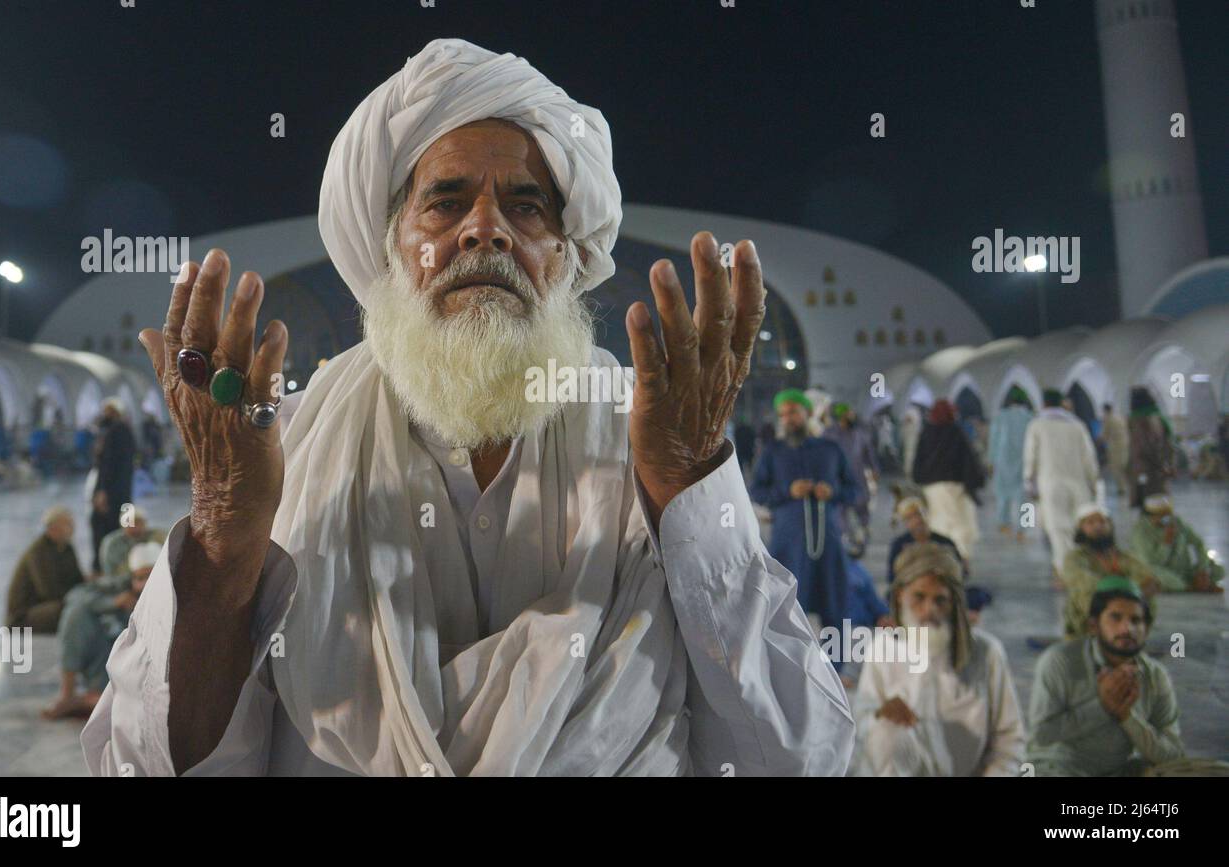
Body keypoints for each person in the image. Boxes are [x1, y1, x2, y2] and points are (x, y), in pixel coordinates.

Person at [84, 39, 853, 777]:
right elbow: (147, 761)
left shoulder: (649, 440)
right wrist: (226, 532)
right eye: (445, 203)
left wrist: (686, 489)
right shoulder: (288, 446)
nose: (484, 228)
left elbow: (796, 754)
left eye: (526, 207)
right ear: (390, 248)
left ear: (569, 254)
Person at [852, 543, 1025, 777]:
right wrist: (880, 713)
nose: (929, 610)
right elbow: (861, 723)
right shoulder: (883, 648)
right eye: (919, 597)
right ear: (901, 595)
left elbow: (1010, 738)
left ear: (954, 603)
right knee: (886, 732)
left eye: (940, 600)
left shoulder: (987, 653)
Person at [1027, 580, 1184, 776]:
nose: (1127, 628)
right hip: (1059, 768)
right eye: (1115, 618)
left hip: (1118, 771)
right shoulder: (1060, 662)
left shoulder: (1154, 676)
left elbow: (1172, 755)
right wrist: (1101, 707)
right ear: (1094, 625)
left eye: (1136, 620)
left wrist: (1127, 717)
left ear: (1147, 629)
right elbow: (1041, 736)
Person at [751, 390, 860, 647]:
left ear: (808, 413)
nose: (788, 419)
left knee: (834, 601)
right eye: (783, 415)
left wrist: (832, 493)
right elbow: (756, 491)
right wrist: (788, 491)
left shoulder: (830, 449)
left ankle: (837, 666)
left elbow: (854, 491)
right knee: (784, 604)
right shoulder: (773, 452)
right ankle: (789, 666)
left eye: (793, 412)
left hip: (828, 541)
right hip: (788, 543)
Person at [44, 541, 163, 720]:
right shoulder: (123, 586)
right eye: (140, 578)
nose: (144, 583)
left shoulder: (171, 596)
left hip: (151, 675)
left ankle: (89, 702)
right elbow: (77, 595)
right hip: (112, 664)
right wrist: (114, 603)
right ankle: (72, 694)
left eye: (149, 576)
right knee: (77, 612)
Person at [1023, 388, 1099, 577]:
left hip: (1051, 483)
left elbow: (1030, 456)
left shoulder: (1037, 425)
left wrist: (1029, 482)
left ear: (1044, 404)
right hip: (1078, 483)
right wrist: (1094, 482)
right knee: (1079, 527)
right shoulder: (1077, 425)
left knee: (1057, 528)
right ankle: (1081, 567)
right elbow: (1089, 457)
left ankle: (1065, 570)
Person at [1061, 504, 1158, 640]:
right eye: (1091, 523)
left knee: (1147, 596)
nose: (1098, 526)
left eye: (1103, 522)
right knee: (1083, 591)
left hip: (1125, 608)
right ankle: (1096, 636)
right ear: (1081, 528)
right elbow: (1081, 581)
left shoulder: (1123, 556)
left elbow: (1147, 578)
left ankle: (1130, 635)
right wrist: (1115, 596)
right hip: (1093, 612)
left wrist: (1135, 591)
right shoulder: (1074, 558)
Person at [910, 399, 984, 559]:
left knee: (939, 524)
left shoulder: (926, 433)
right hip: (957, 487)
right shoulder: (957, 432)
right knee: (960, 525)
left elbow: (918, 463)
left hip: (933, 489)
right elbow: (969, 460)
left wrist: (919, 478)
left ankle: (942, 560)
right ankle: (962, 559)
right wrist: (976, 481)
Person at [6, 506, 85, 633]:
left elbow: (78, 580)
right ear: (52, 528)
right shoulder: (38, 552)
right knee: (67, 610)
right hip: (23, 616)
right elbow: (47, 591)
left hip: (49, 605)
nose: (72, 529)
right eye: (67, 525)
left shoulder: (67, 548)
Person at [1129, 495, 1224, 593]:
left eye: (1168, 515)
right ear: (1150, 516)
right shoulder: (1141, 532)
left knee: (1218, 570)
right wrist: (1166, 544)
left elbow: (1198, 544)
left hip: (1182, 570)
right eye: (1162, 516)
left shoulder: (1177, 523)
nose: (1166, 519)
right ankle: (1191, 587)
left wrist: (1202, 570)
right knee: (1159, 576)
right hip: (1162, 571)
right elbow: (1153, 562)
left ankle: (1199, 584)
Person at [89, 398, 137, 571]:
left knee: (102, 525)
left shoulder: (115, 430)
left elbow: (107, 463)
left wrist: (102, 491)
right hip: (125, 492)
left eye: (107, 411)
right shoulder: (124, 430)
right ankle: (128, 564)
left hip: (111, 492)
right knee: (127, 524)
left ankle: (102, 567)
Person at [824, 403, 879, 548]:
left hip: (858, 477)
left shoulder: (860, 434)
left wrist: (874, 470)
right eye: (845, 414)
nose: (849, 416)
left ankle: (863, 532)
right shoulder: (829, 434)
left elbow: (869, 454)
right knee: (840, 509)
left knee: (862, 506)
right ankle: (846, 538)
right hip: (837, 477)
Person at [885, 496, 967, 585]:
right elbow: (892, 577)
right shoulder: (898, 545)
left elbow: (960, 572)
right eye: (910, 517)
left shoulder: (945, 542)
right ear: (905, 522)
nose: (917, 520)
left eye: (919, 514)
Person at [986, 386, 1033, 541]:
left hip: (1003, 461)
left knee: (1002, 493)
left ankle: (1003, 523)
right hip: (1025, 462)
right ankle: (1023, 529)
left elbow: (993, 441)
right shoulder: (1030, 417)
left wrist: (991, 461)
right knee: (1024, 496)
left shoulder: (1000, 417)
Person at [1127, 387, 1174, 509]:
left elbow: (1146, 446)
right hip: (1153, 470)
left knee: (1149, 504)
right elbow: (1159, 445)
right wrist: (1165, 465)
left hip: (1145, 470)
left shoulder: (1139, 420)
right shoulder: (1153, 417)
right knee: (1156, 504)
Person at [97, 504, 168, 579]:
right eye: (130, 523)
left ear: (145, 523)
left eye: (138, 523)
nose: (135, 527)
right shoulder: (112, 543)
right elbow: (110, 573)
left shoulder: (157, 536)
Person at [1099, 402, 1129, 498]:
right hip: (1125, 444)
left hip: (1115, 446)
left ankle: (1122, 488)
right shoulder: (1119, 417)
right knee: (1124, 465)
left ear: (1105, 410)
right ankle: (1127, 486)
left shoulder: (1108, 418)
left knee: (1116, 467)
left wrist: (1098, 441)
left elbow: (1105, 434)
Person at [899, 406, 921, 478]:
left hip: (911, 438)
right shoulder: (916, 413)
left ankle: (908, 471)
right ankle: (908, 471)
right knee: (908, 455)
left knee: (909, 455)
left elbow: (908, 420)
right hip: (910, 437)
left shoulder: (912, 412)